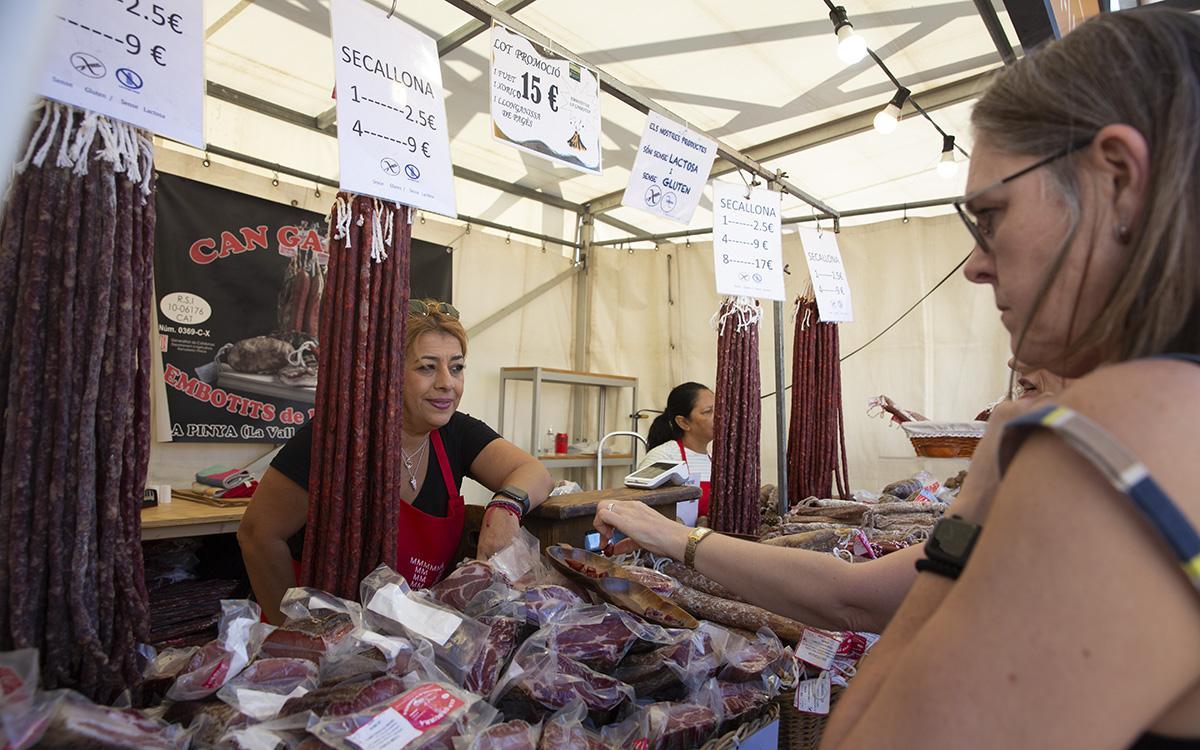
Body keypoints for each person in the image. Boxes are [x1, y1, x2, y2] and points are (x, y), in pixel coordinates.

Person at [604, 12, 1200, 743]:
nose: (977, 263)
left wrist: (978, 501)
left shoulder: (1123, 430)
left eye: (990, 215)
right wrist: (678, 544)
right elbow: (857, 599)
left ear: (1119, 178)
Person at [239, 299, 553, 624]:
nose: (447, 382)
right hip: (326, 634)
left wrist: (506, 507)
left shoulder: (457, 434)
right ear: (389, 373)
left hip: (404, 637)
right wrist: (293, 630)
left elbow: (536, 473)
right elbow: (257, 534)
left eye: (456, 367)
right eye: (427, 367)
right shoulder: (337, 437)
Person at [639, 382, 715, 516]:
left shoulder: (715, 461)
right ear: (683, 422)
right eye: (708, 412)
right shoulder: (663, 457)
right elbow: (642, 511)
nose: (720, 416)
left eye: (719, 408)